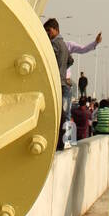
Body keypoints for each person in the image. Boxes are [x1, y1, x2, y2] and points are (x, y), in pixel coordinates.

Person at [44, 18, 74, 149]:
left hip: (58, 84)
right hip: (64, 84)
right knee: (66, 114)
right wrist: (64, 73)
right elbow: (71, 60)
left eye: (49, 31)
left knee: (57, 114)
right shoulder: (64, 44)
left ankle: (59, 142)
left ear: (56, 30)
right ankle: (67, 140)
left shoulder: (53, 44)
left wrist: (57, 71)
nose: (47, 33)